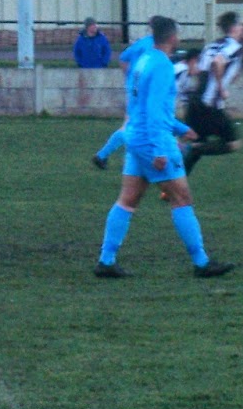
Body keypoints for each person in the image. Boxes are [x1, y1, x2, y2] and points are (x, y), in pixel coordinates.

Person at [92, 16, 233, 280]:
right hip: (152, 139)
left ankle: (106, 260)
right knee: (181, 198)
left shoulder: (143, 59)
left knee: (128, 200)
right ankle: (202, 263)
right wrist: (159, 149)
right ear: (173, 37)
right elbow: (155, 109)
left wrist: (180, 129)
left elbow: (142, 104)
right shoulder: (162, 67)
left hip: (135, 136)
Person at [90, 20, 158, 169]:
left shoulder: (141, 43)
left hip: (133, 89)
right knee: (137, 125)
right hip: (143, 91)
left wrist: (130, 78)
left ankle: (102, 156)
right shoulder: (154, 46)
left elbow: (122, 59)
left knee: (133, 124)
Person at [183, 11, 243, 174]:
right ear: (234, 28)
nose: (242, 28)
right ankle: (194, 149)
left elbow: (200, 70)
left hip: (196, 101)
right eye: (240, 25)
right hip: (211, 105)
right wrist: (221, 88)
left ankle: (170, 189)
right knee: (233, 144)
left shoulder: (211, 45)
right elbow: (218, 62)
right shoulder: (234, 47)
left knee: (197, 141)